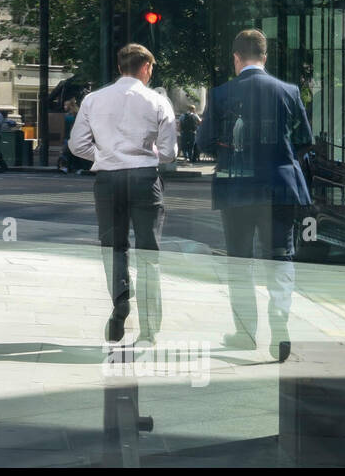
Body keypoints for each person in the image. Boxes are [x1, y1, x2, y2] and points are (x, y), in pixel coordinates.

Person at [197, 29, 312, 363]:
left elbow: (203, 144)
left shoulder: (220, 95)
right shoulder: (288, 91)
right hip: (280, 187)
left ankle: (246, 333)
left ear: (236, 58)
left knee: (240, 262)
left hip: (236, 188)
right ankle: (280, 323)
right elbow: (305, 139)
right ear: (264, 57)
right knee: (280, 256)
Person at [69, 43, 177, 345]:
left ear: (120, 68)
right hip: (144, 178)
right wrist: (148, 152)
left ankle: (120, 305)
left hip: (108, 180)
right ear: (146, 68)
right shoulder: (157, 101)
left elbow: (76, 145)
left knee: (113, 247)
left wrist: (104, 155)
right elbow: (169, 153)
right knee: (148, 251)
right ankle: (149, 328)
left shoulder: (93, 99)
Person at [59, 98, 79, 173]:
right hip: (68, 136)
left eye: (65, 105)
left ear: (70, 106)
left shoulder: (73, 115)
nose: (64, 107)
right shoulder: (69, 115)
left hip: (71, 136)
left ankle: (66, 167)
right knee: (69, 152)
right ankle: (71, 167)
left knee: (65, 152)